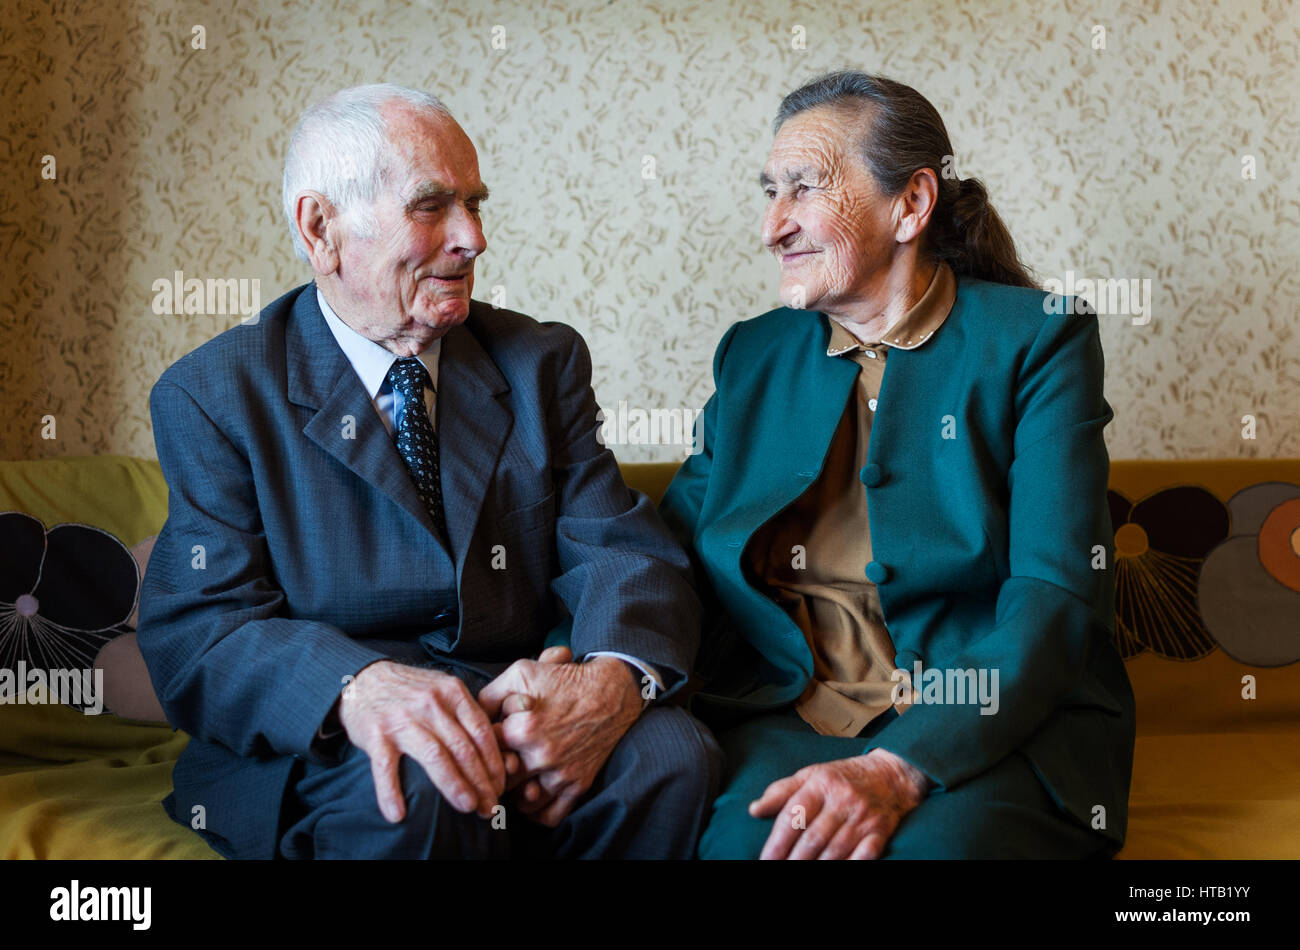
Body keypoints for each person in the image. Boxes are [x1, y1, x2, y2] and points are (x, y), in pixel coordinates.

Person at [136, 83, 720, 860]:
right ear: (322, 229)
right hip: (325, 732)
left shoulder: (540, 362)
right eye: (431, 205)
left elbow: (619, 548)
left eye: (475, 204)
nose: (473, 237)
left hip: (507, 702)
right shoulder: (215, 394)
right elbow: (200, 631)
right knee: (420, 787)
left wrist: (613, 680)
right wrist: (358, 686)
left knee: (671, 758)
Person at [659, 70, 1135, 859]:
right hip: (792, 717)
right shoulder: (755, 354)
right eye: (769, 192)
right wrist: (585, 659)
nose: (773, 227)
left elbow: (1055, 595)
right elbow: (671, 546)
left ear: (911, 204)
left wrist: (903, 764)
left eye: (803, 189)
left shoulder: (1039, 341)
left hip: (991, 727)